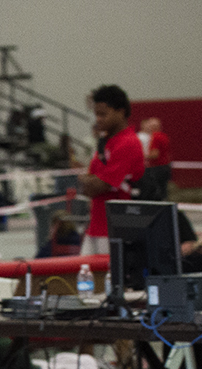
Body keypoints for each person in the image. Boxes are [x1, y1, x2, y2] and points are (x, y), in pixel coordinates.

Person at [78, 84, 144, 255]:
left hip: (115, 229)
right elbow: (88, 186)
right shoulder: (105, 143)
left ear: (121, 112)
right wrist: (92, 182)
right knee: (82, 271)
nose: (98, 119)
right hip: (95, 227)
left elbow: (100, 185)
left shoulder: (128, 143)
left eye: (103, 114)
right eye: (96, 114)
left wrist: (93, 182)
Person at [141, 117, 172, 201]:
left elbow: (155, 154)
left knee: (155, 192)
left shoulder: (155, 137)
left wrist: (141, 155)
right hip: (165, 166)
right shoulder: (164, 136)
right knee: (163, 191)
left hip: (157, 168)